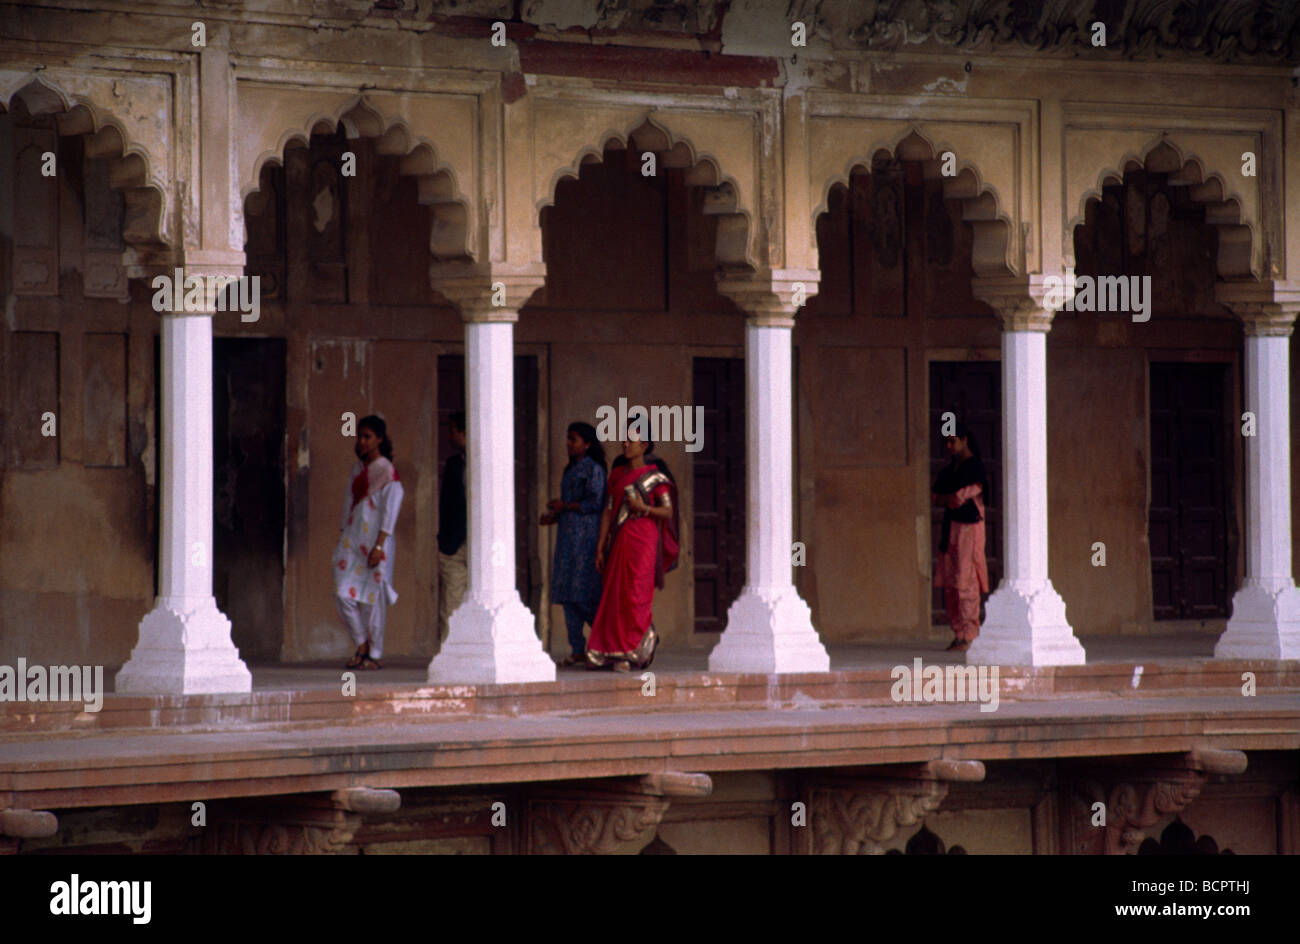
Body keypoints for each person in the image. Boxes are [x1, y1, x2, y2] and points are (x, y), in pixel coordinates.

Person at [585, 433, 679, 671]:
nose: (625, 444)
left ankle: (630, 652)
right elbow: (608, 510)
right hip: (619, 540)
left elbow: (667, 511)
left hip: (644, 540)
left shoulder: (656, 478)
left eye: (631, 440)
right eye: (624, 440)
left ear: (644, 445)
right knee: (615, 593)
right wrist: (600, 545)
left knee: (636, 594)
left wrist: (643, 508)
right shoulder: (617, 475)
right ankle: (613, 651)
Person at [335, 415, 404, 670]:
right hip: (353, 541)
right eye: (359, 436)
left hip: (377, 543)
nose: (362, 442)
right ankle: (361, 643)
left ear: (379, 440)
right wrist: (344, 533)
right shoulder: (358, 469)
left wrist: (379, 546)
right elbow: (347, 503)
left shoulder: (386, 472)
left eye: (367, 437)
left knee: (372, 601)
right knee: (343, 591)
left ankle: (373, 654)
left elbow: (391, 509)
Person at [541, 422, 607, 667]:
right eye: (568, 439)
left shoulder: (594, 469)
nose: (569, 444)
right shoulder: (570, 470)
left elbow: (596, 502)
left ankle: (604, 640)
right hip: (568, 538)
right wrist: (554, 516)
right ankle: (577, 648)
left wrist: (565, 507)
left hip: (586, 538)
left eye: (574, 440)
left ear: (587, 444)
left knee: (584, 593)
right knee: (568, 594)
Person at [931, 421, 990, 652]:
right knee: (951, 583)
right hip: (952, 527)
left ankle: (969, 634)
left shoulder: (974, 466)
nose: (949, 446)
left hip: (969, 528)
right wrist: (950, 499)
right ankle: (959, 632)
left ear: (964, 439)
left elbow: (960, 496)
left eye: (952, 440)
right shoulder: (950, 470)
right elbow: (938, 497)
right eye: (946, 442)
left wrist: (951, 498)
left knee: (966, 581)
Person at [436, 411, 468, 644]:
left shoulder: (489, 462)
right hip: (455, 544)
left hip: (482, 546)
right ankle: (449, 651)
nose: (450, 436)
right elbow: (446, 504)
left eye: (453, 430)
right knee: (452, 602)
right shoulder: (454, 464)